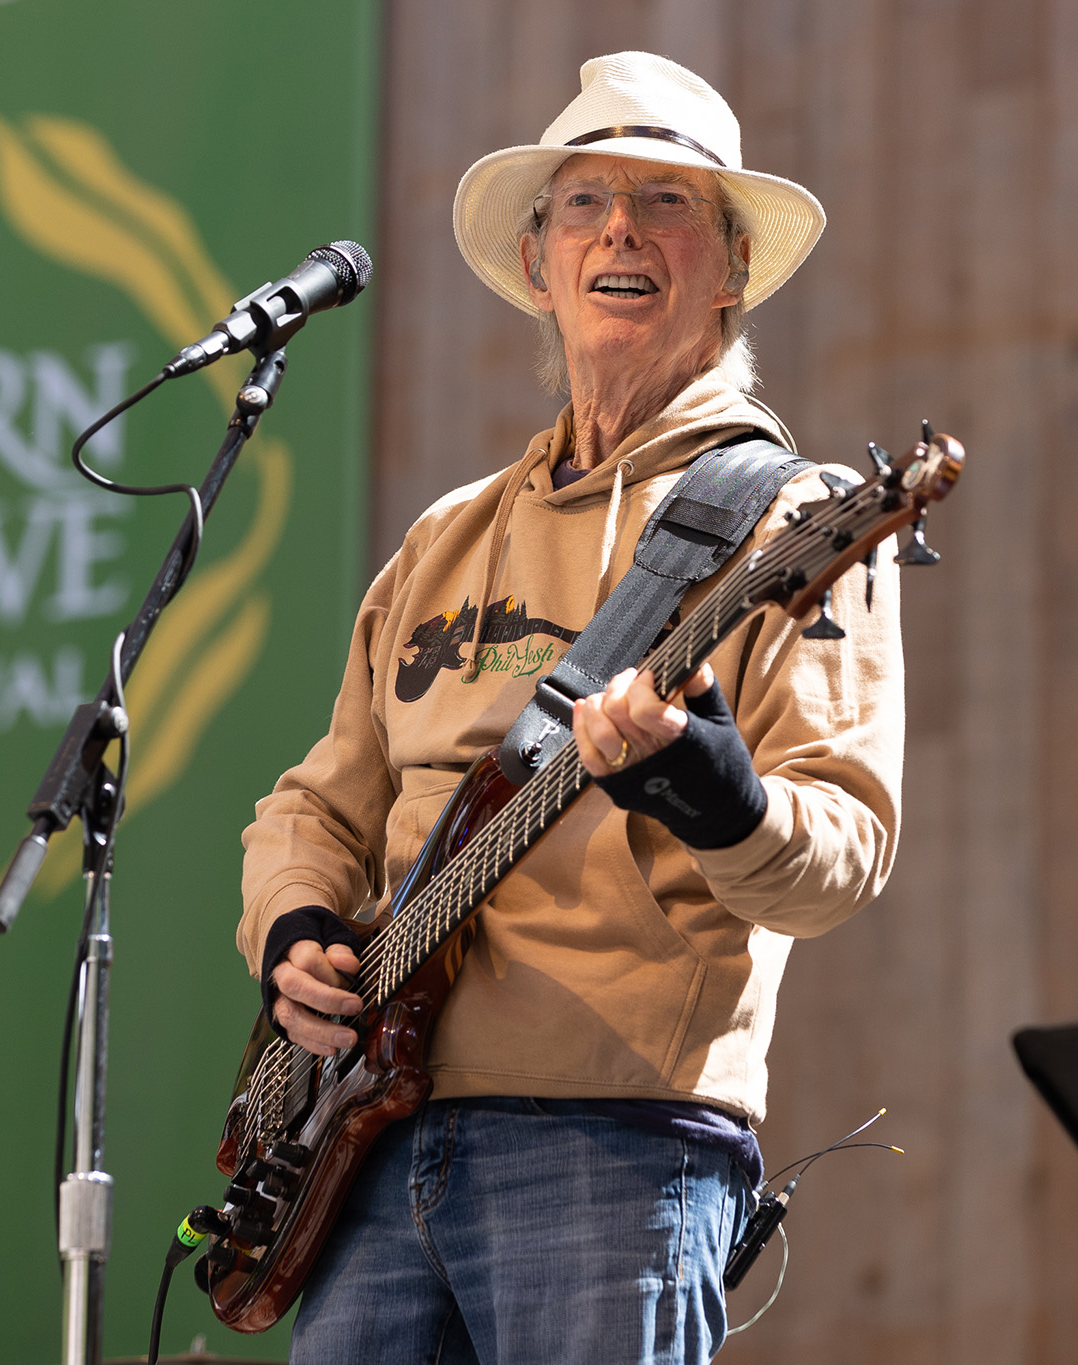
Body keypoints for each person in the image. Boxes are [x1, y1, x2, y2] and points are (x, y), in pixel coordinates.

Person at [237, 53, 903, 1364]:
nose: (619, 231)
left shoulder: (795, 519)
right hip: (363, 1143)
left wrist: (721, 797)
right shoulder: (443, 538)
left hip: (615, 1143)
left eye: (667, 204)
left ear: (730, 269)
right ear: (539, 262)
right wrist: (298, 926)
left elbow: (843, 852)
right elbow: (316, 801)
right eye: (586, 203)